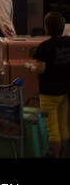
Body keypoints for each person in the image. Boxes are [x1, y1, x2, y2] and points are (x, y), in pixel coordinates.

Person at [26, 11, 70, 158]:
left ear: (47, 28)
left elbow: (41, 68)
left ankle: (54, 155)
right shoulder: (68, 42)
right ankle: (64, 154)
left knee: (51, 127)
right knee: (63, 124)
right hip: (64, 90)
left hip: (49, 92)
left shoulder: (45, 46)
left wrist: (29, 67)